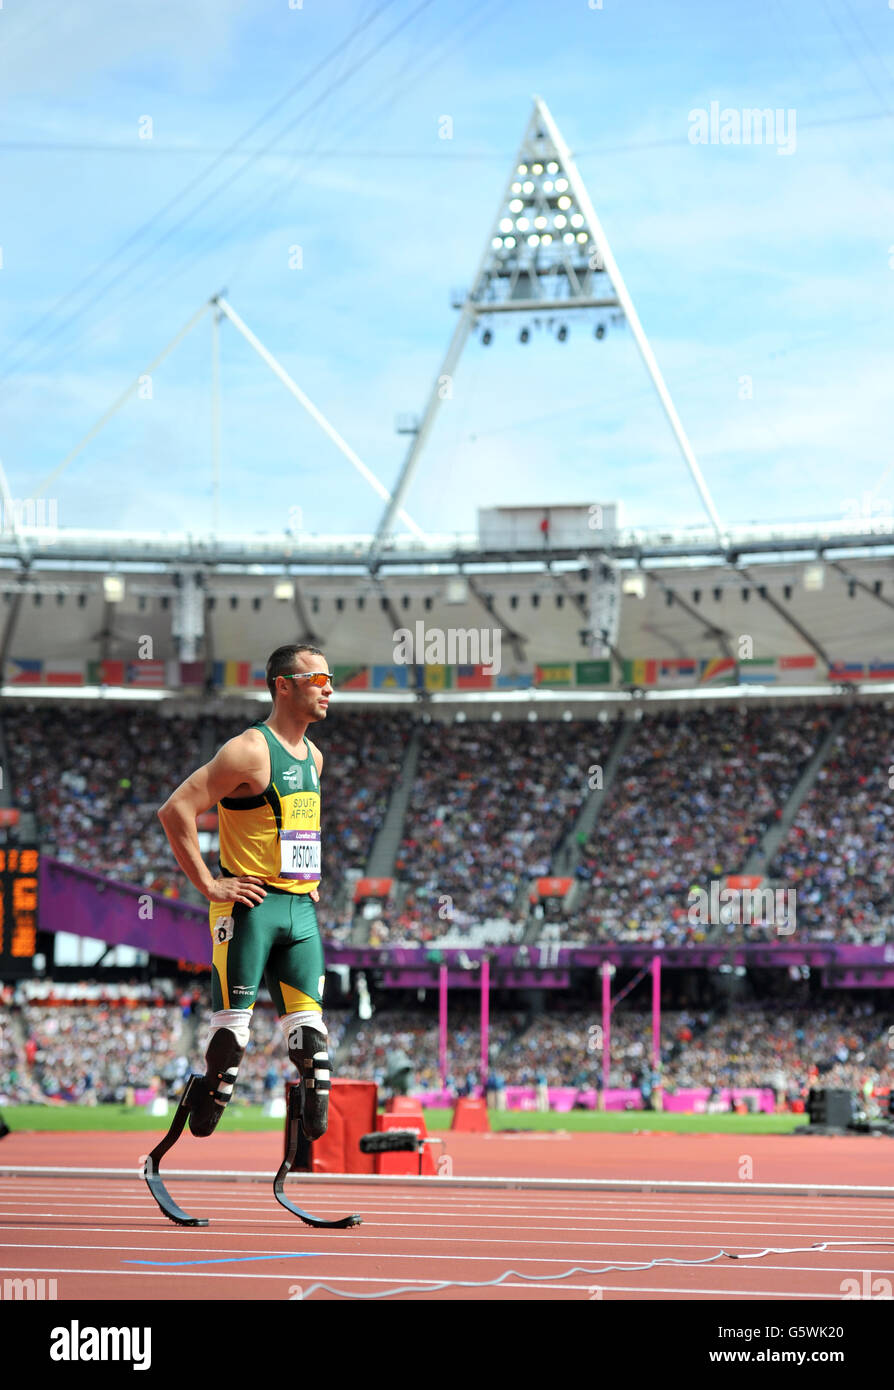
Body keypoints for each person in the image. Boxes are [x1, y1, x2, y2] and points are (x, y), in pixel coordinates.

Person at [157, 644, 334, 1142]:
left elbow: (297, 826)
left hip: (299, 909)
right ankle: (207, 1100)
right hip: (249, 909)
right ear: (284, 684)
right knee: (233, 1037)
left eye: (330, 678)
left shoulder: (315, 757)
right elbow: (175, 811)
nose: (328, 688)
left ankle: (305, 1141)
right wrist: (210, 884)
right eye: (317, 677)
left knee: (314, 1049)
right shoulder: (249, 750)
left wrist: (307, 881)